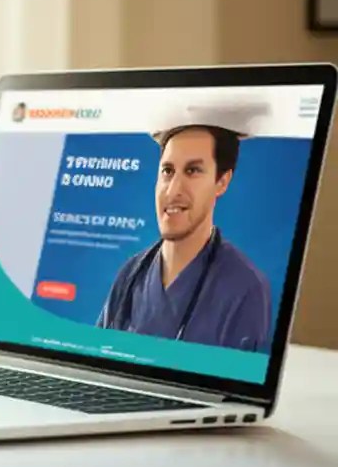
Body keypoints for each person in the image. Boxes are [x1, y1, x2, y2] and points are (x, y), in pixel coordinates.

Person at [96, 111, 272, 353]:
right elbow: (95, 359)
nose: (174, 190)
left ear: (222, 181)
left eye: (193, 171)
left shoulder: (244, 288)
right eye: (168, 171)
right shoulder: (131, 274)